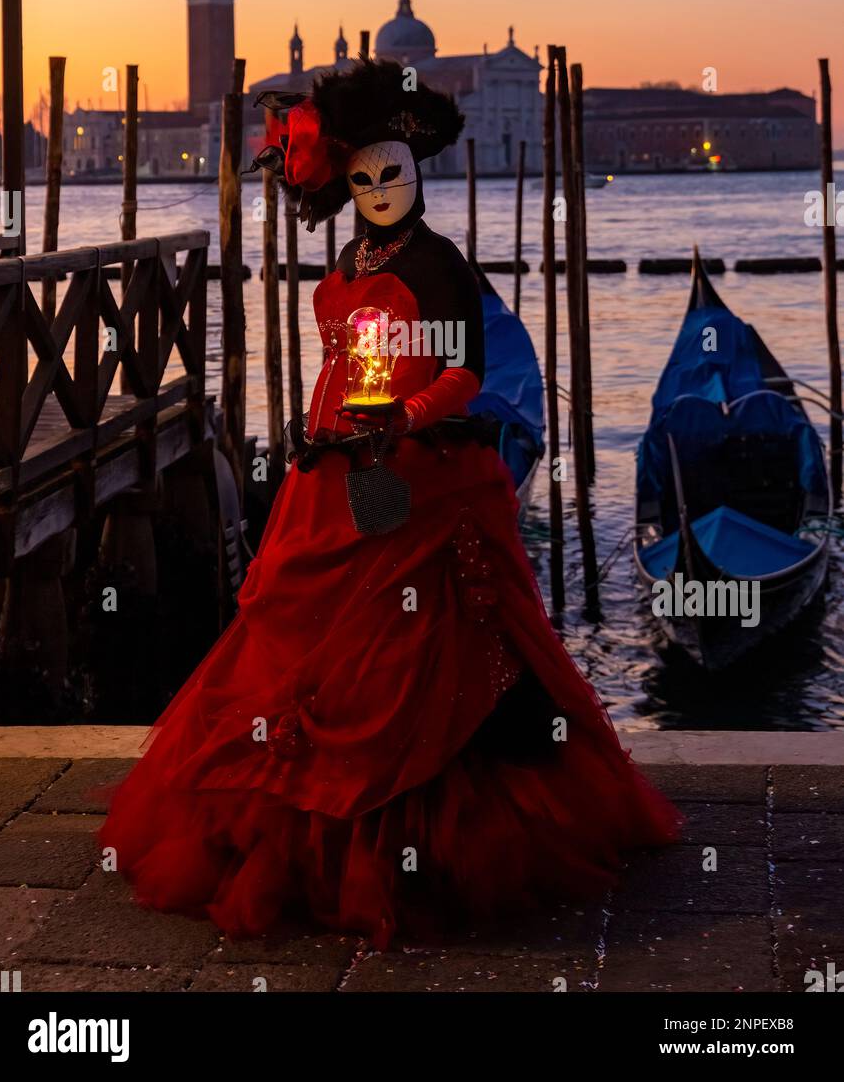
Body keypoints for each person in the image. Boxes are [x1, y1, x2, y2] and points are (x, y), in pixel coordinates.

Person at [99, 59, 678, 948]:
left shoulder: (440, 264)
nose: (376, 190)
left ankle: (425, 844)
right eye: (361, 178)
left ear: (416, 174)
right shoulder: (354, 256)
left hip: (421, 476)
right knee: (297, 637)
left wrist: (397, 421)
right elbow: (345, 356)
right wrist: (315, 421)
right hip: (331, 477)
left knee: (425, 652)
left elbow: (467, 376)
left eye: (391, 176)